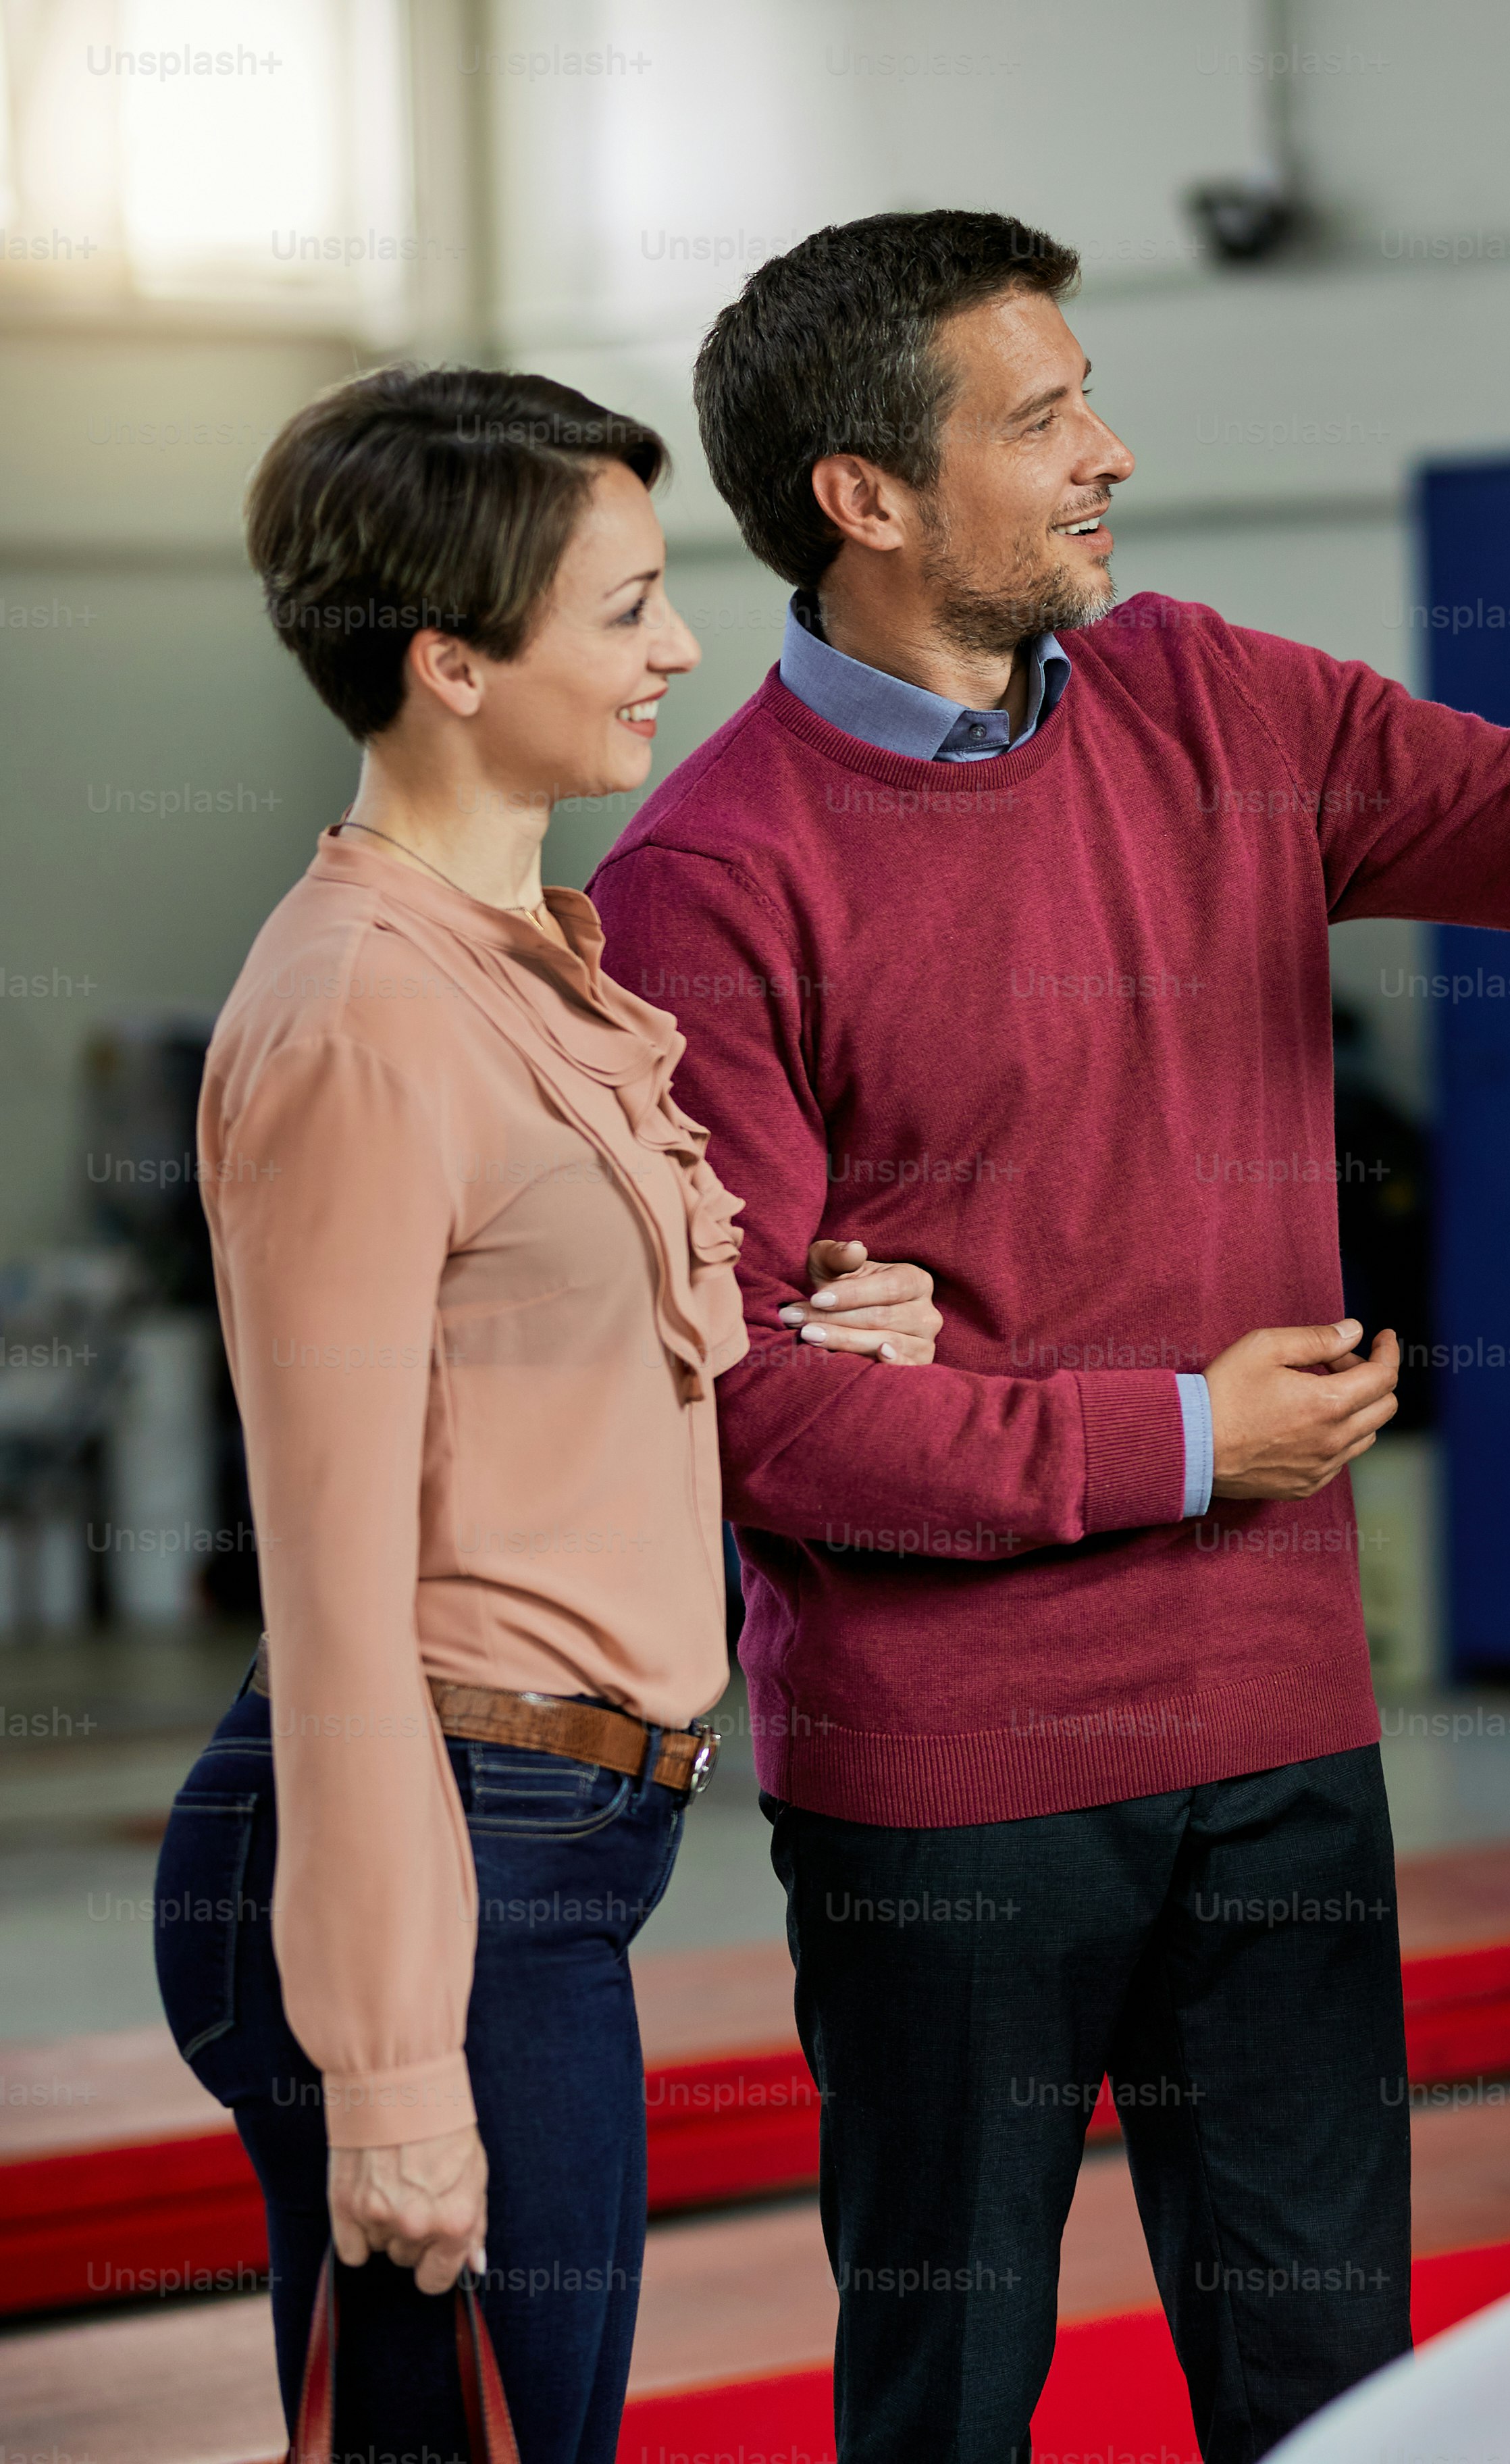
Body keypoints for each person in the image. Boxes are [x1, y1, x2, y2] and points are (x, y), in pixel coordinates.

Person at [581, 209, 1510, 2462]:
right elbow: (759, 1411)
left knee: (1326, 2379)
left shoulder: (1210, 696)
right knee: (951, 2392)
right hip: (947, 1785)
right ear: (865, 500)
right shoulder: (712, 878)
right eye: (1045, 417)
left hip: (1275, 1722)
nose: (1113, 454)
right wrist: (1186, 1441)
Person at [152, 367, 950, 2464]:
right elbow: (336, 1610)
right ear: (450, 662)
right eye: (624, 609)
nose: (681, 648)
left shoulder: (522, 964)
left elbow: (537, 1385)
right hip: (435, 1850)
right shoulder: (363, 1016)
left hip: (550, 1847)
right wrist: (398, 2070)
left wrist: (806, 1340)